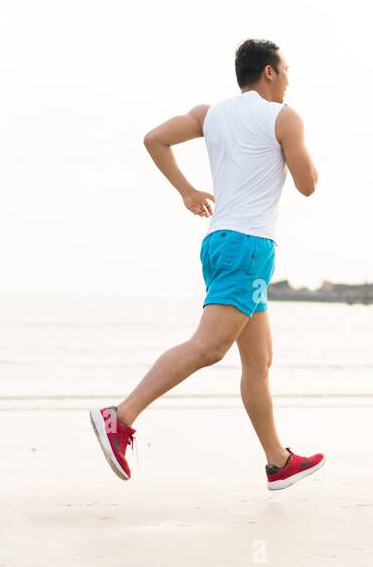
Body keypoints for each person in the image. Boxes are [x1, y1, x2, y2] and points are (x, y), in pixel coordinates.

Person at [90, 39, 325, 491]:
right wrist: (299, 142)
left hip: (219, 241)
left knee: (258, 360)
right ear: (270, 73)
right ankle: (119, 417)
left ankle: (278, 461)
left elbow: (154, 139)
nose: (289, 81)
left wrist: (187, 191)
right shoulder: (284, 118)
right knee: (209, 347)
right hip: (249, 246)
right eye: (286, 71)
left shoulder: (209, 113)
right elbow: (308, 185)